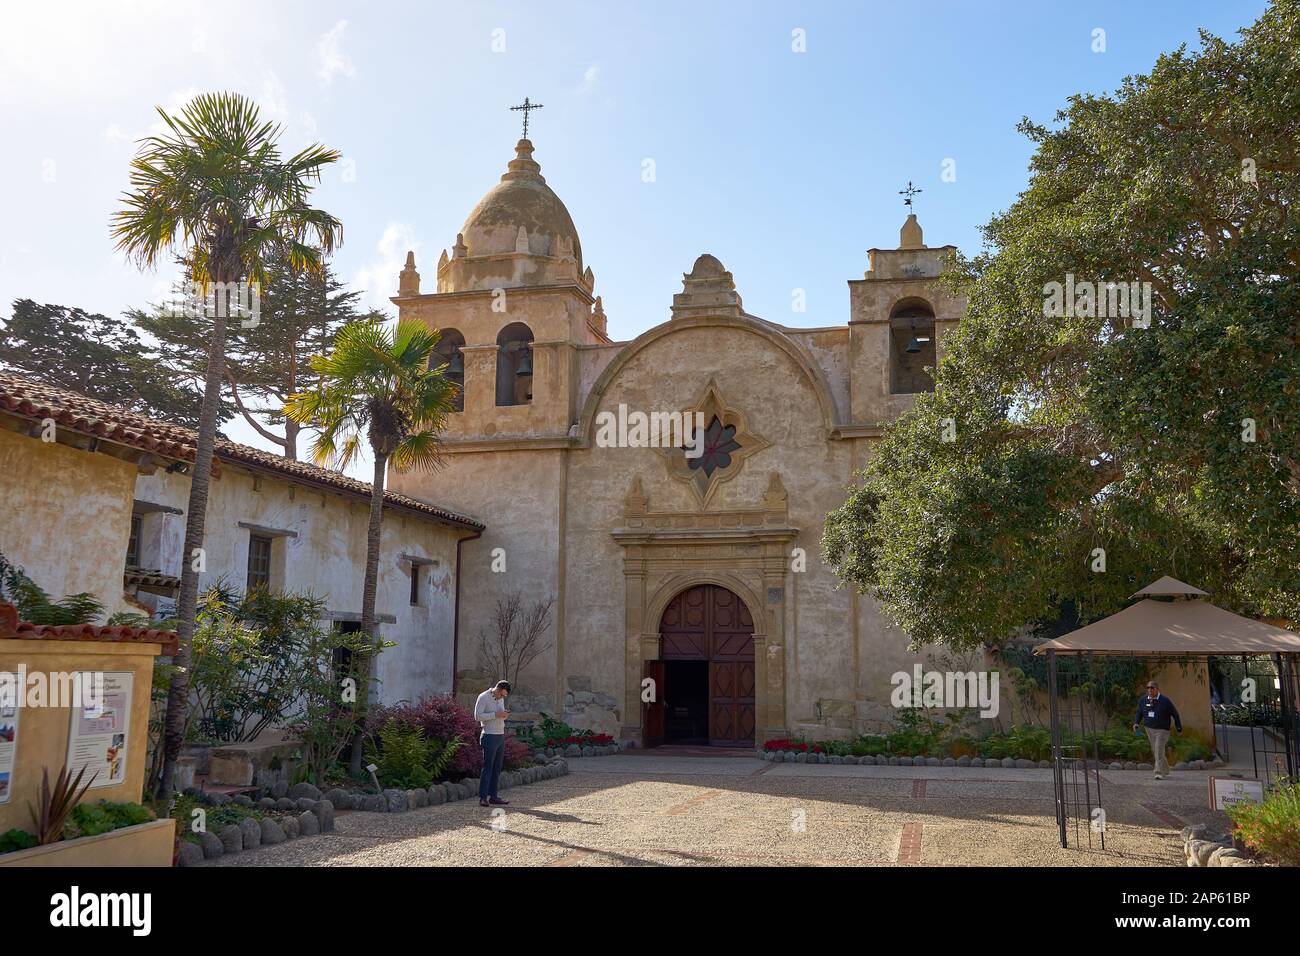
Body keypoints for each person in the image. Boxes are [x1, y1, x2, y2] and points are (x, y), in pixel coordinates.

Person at [1134, 680, 1182, 780]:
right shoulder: (1143, 700)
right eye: (1148, 688)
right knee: (1156, 751)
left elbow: (1175, 713)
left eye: (1152, 687)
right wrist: (1136, 723)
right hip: (1149, 729)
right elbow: (1139, 712)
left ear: (1157, 689)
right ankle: (1166, 769)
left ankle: (1158, 772)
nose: (1149, 690)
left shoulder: (1165, 700)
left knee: (1158, 751)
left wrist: (1178, 726)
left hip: (1162, 730)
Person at [474, 680, 512, 807]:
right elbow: (477, 716)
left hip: (500, 735)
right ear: (498, 688)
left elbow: (499, 714)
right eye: (502, 694)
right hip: (489, 735)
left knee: (497, 768)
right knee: (488, 768)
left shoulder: (500, 698)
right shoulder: (483, 697)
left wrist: (504, 715)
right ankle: (483, 797)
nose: (503, 697)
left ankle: (494, 796)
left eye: (504, 696)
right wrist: (495, 715)